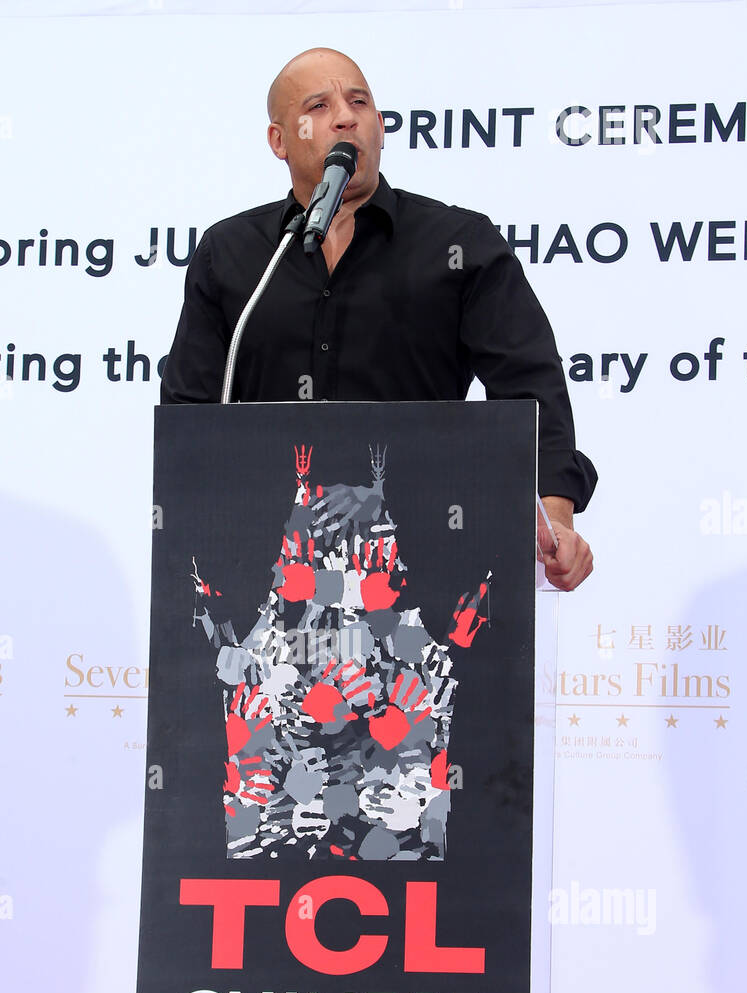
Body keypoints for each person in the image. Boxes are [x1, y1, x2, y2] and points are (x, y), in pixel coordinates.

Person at [161, 48, 595, 591]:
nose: (346, 117)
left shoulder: (458, 243)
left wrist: (557, 519)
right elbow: (187, 413)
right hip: (266, 569)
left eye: (359, 101)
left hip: (424, 563)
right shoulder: (231, 253)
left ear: (381, 127)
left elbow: (532, 389)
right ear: (279, 140)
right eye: (318, 105)